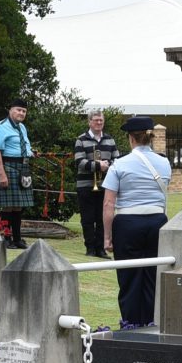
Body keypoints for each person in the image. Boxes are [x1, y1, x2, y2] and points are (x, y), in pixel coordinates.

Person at [101, 116, 171, 329]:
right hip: (157, 221)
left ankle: (130, 323)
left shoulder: (119, 165)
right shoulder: (165, 163)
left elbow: (108, 204)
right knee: (152, 276)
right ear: (150, 138)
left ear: (131, 139)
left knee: (129, 276)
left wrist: (107, 236)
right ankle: (150, 323)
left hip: (128, 223)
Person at [0, 99, 35, 249]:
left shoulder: (22, 127)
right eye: (18, 110)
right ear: (10, 110)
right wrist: (2, 174)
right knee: (8, 206)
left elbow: (22, 146)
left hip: (23, 168)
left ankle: (17, 239)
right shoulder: (1, 127)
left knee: (18, 207)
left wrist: (30, 153)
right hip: (8, 166)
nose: (21, 113)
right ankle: (6, 237)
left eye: (24, 111)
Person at [71, 111, 117, 259]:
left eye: (101, 120)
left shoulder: (110, 140)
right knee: (87, 218)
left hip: (105, 185)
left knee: (102, 218)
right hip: (85, 185)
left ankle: (101, 249)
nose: (99, 123)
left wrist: (107, 165)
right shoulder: (81, 140)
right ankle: (90, 248)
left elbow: (117, 160)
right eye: (96, 120)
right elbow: (79, 162)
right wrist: (98, 166)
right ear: (89, 122)